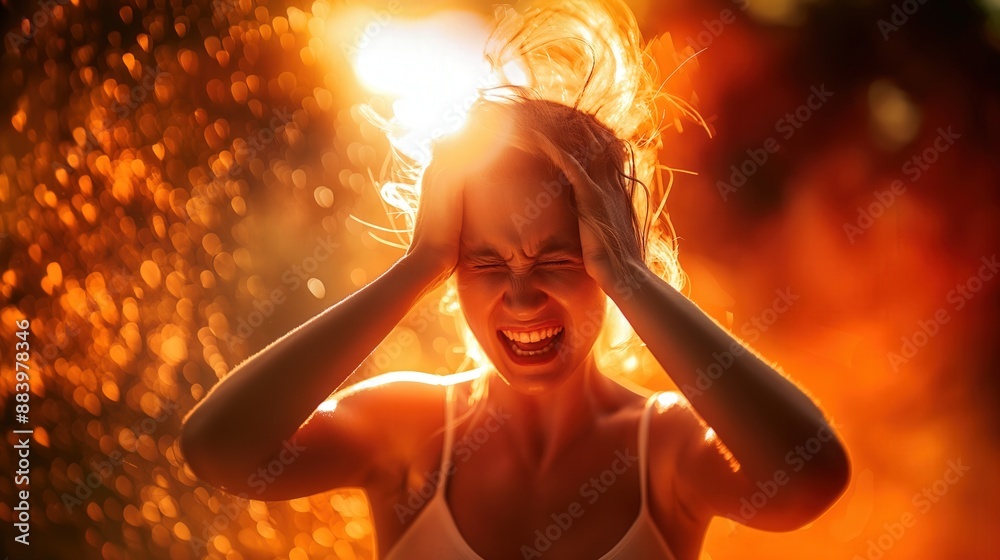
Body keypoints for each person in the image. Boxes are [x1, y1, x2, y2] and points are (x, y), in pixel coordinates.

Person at [179, 1, 850, 558]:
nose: (523, 296)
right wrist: (417, 265)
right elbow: (219, 449)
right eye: (485, 262)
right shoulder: (408, 429)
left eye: (560, 260)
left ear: (609, 258)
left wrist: (631, 274)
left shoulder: (666, 447)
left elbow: (809, 479)